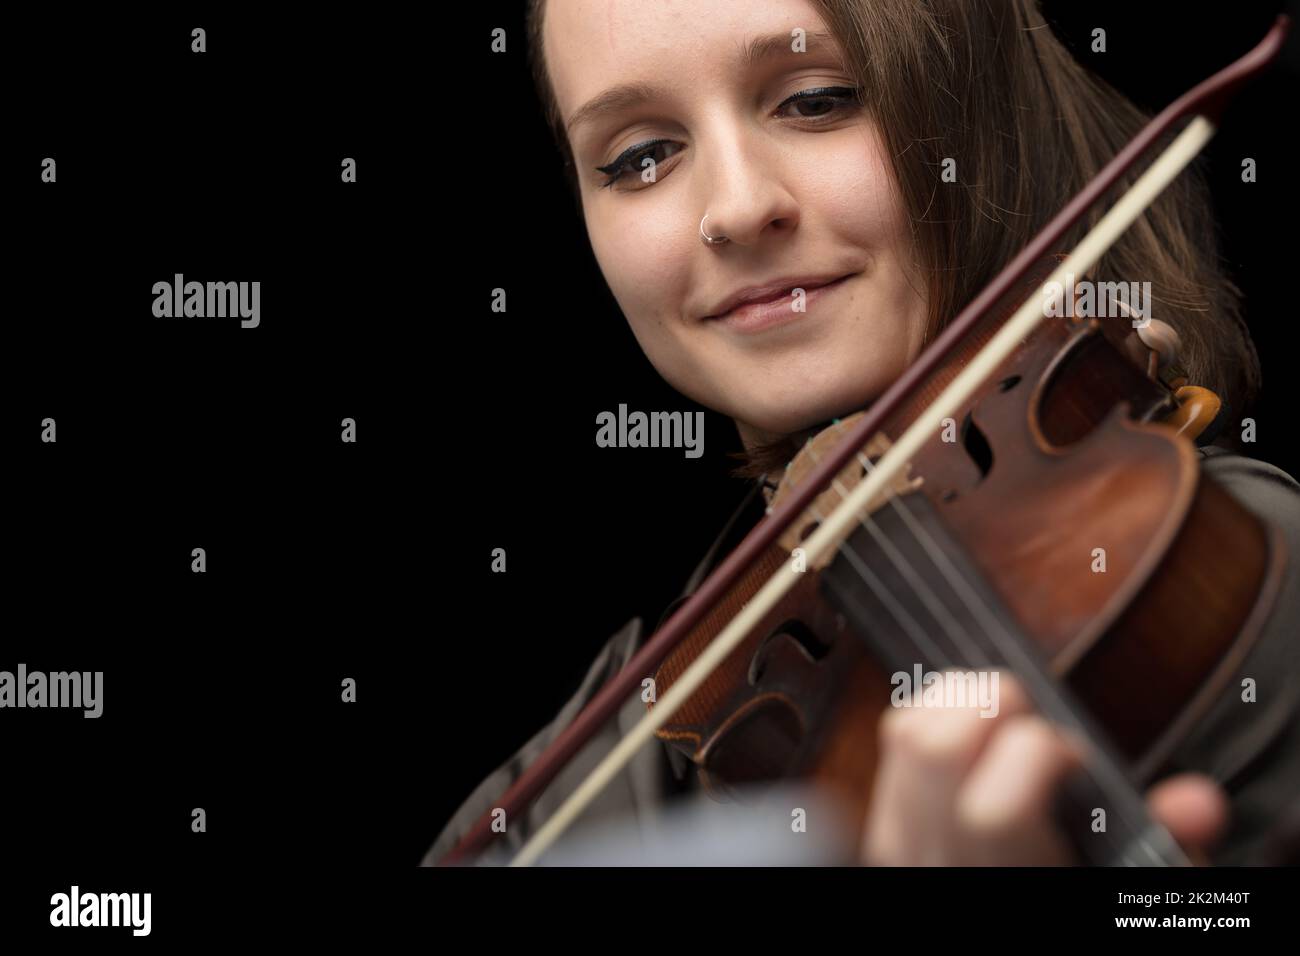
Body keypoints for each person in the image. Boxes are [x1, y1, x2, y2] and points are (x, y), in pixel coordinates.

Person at [424, 0, 1300, 866]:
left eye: (816, 101)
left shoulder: (1249, 572)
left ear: (983, 107)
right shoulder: (599, 766)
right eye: (640, 157)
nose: (733, 207)